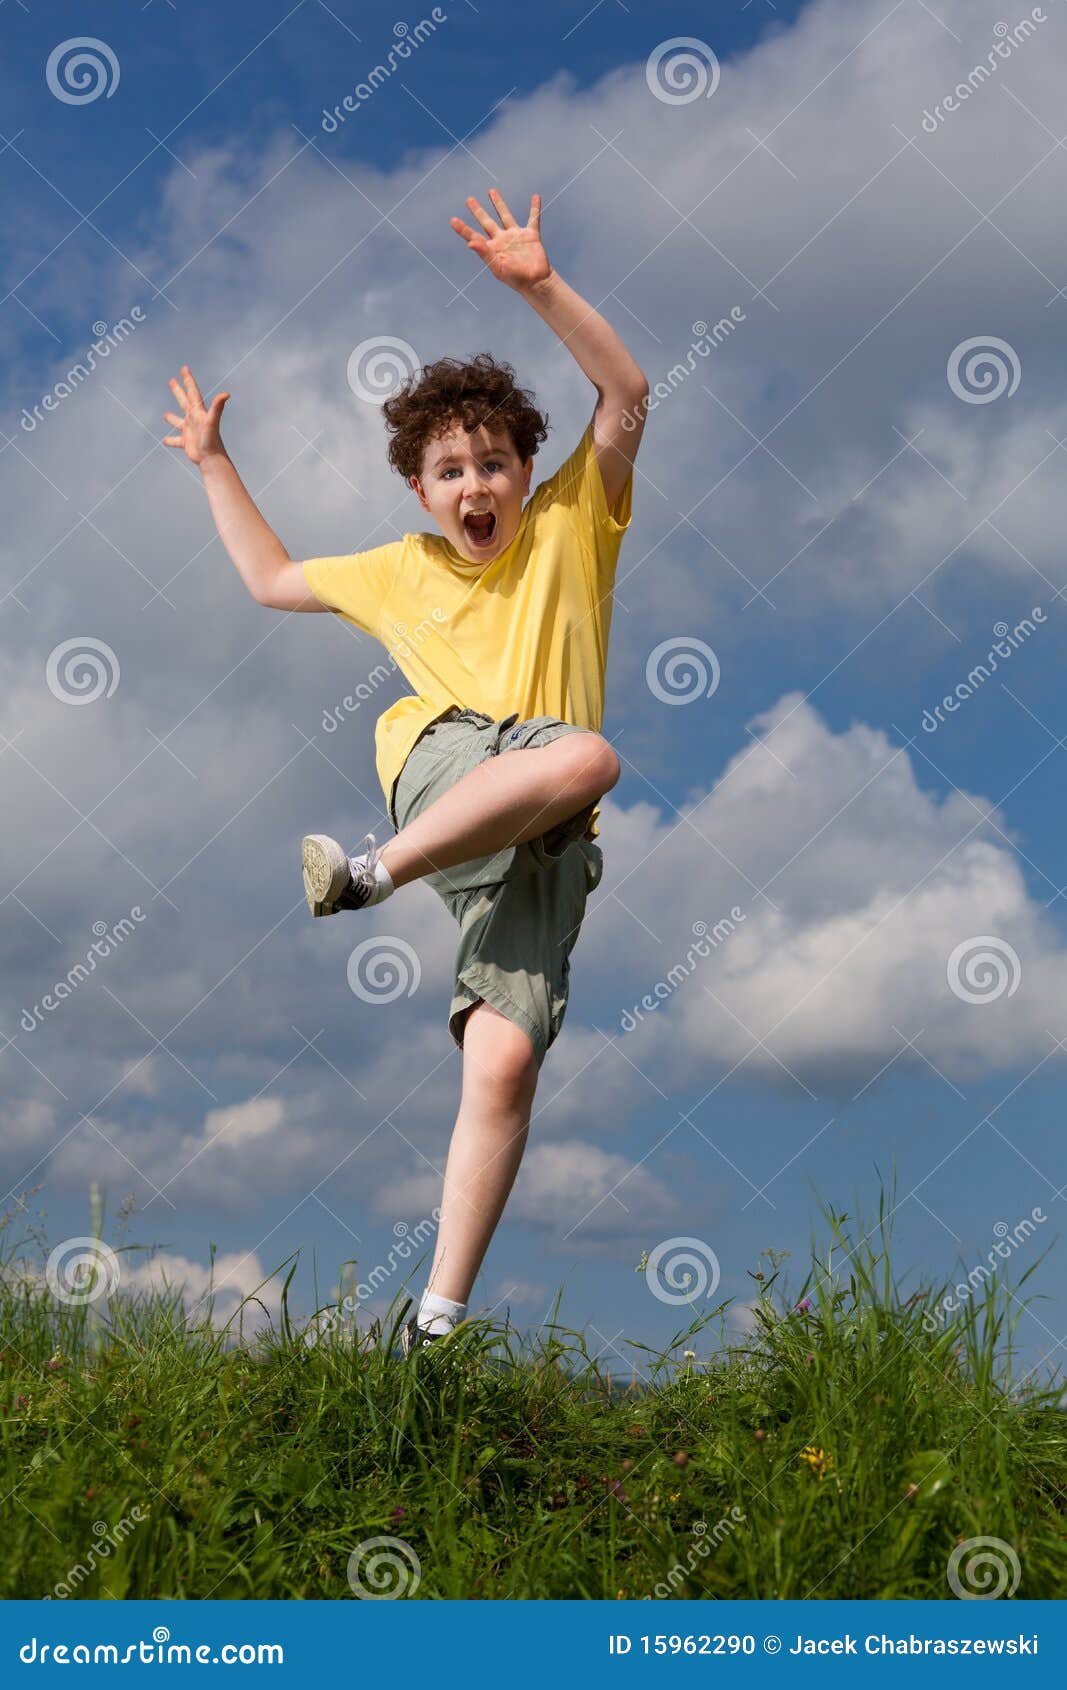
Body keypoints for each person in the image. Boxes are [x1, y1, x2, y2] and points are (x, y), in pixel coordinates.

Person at [162, 186, 649, 1354]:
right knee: (590, 754)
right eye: (448, 470)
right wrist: (213, 463)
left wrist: (538, 286)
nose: (474, 484)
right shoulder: (399, 570)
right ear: (420, 492)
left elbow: (623, 395)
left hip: (540, 827)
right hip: (440, 774)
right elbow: (272, 580)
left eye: (492, 461)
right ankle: (368, 875)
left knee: (506, 1062)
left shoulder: (575, 523)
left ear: (531, 467)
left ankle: (430, 1333)